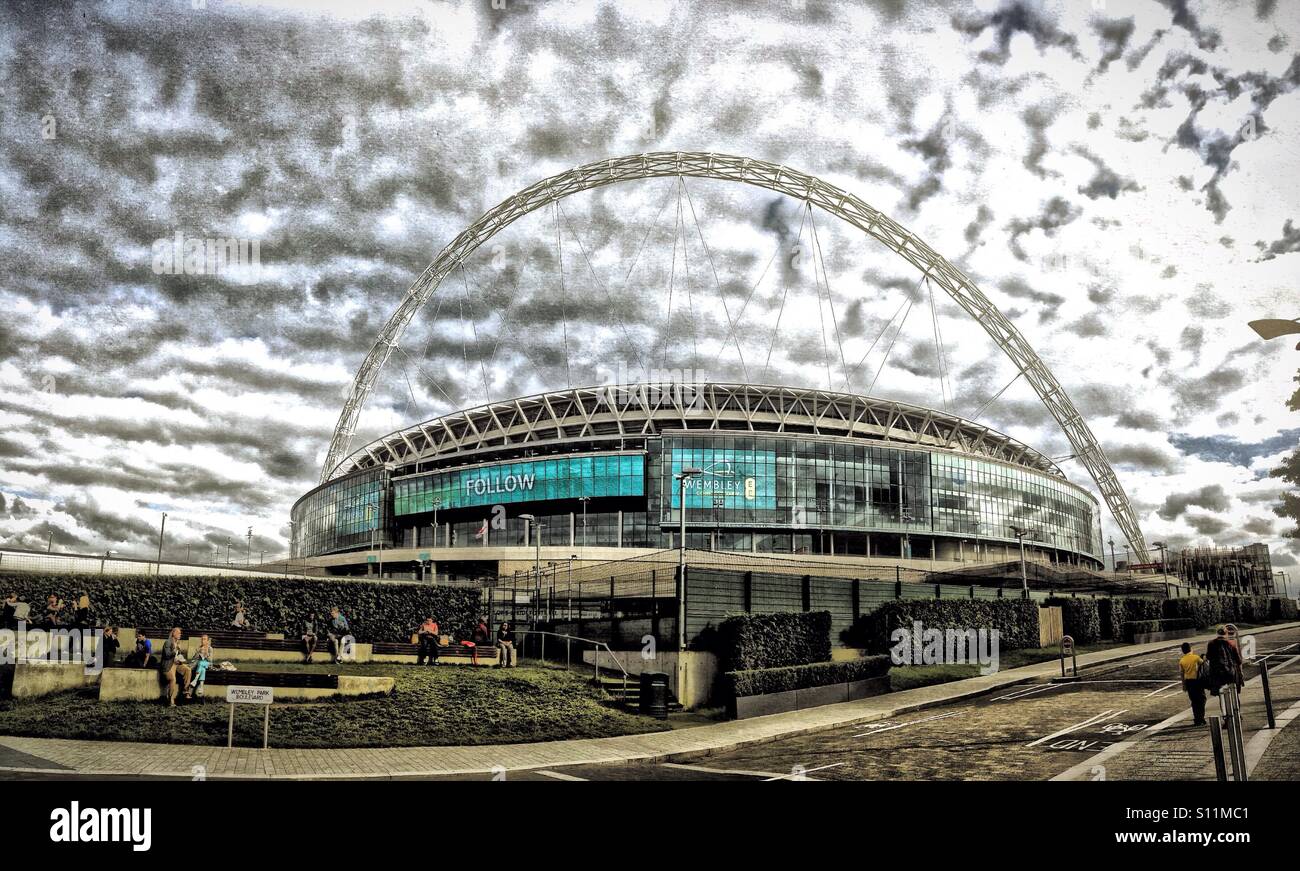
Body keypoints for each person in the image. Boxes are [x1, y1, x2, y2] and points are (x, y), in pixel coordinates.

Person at [1205, 626, 1243, 697]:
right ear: (1226, 633)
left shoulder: (1211, 644)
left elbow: (1208, 657)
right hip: (1230, 673)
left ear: (1217, 633)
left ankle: (1223, 705)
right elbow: (1239, 661)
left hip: (1217, 674)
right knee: (1234, 693)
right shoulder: (1231, 644)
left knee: (1221, 694)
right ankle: (1235, 704)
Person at [159, 627, 193, 707]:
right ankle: (170, 700)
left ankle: (185, 690)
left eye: (180, 633)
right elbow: (167, 655)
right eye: (178, 633)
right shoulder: (168, 642)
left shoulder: (177, 643)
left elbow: (178, 655)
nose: (180, 634)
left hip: (176, 664)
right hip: (168, 666)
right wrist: (175, 650)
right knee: (173, 679)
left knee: (188, 670)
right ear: (173, 633)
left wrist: (180, 656)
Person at [1178, 642, 1207, 726]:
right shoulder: (1196, 657)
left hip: (1188, 682)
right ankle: (1201, 718)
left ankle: (1196, 718)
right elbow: (1203, 664)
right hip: (1197, 681)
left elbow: (1182, 673)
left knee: (1194, 701)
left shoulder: (1182, 660)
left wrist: (1184, 685)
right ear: (1190, 649)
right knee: (1202, 699)